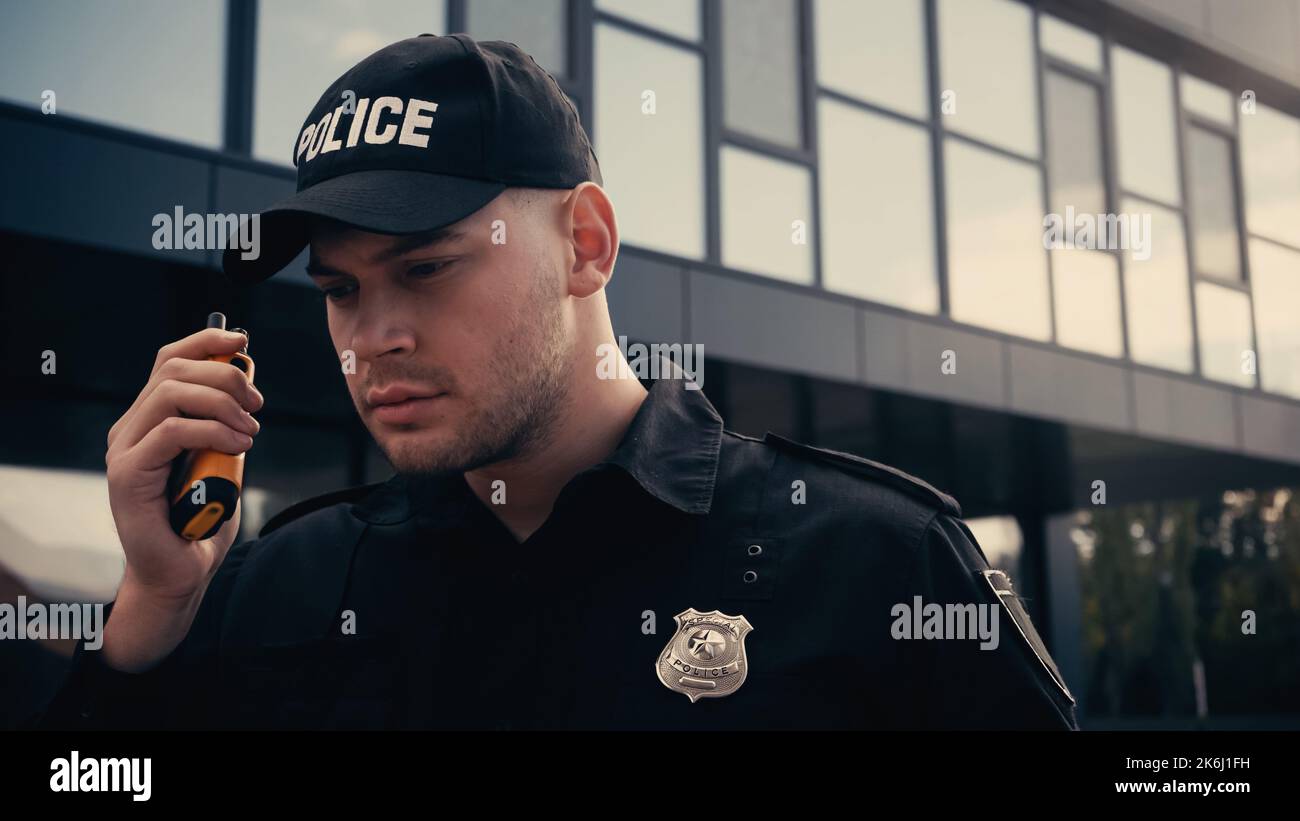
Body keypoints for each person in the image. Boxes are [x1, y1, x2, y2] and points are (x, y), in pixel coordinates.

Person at [35, 33, 1076, 730]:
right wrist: (150, 610)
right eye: (341, 288)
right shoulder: (276, 587)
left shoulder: (877, 561)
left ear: (584, 242)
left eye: (427, 267)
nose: (374, 335)